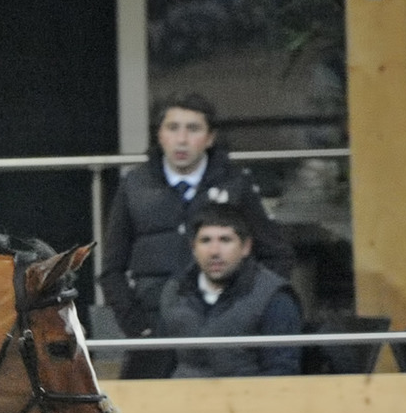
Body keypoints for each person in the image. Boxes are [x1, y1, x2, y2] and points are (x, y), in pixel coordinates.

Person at [97, 93, 294, 379]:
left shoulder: (236, 184)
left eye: (193, 129)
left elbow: (277, 255)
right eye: (172, 128)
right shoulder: (133, 185)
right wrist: (139, 327)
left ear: (210, 137)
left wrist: (247, 308)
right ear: (159, 135)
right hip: (154, 331)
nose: (182, 139)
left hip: (226, 337)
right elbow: (111, 271)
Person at [156, 204, 301, 379]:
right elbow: (160, 365)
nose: (214, 252)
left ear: (246, 247)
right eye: (205, 241)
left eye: (225, 240)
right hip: (181, 394)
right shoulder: (175, 291)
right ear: (193, 248)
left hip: (247, 394)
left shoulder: (274, 297)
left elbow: (281, 373)